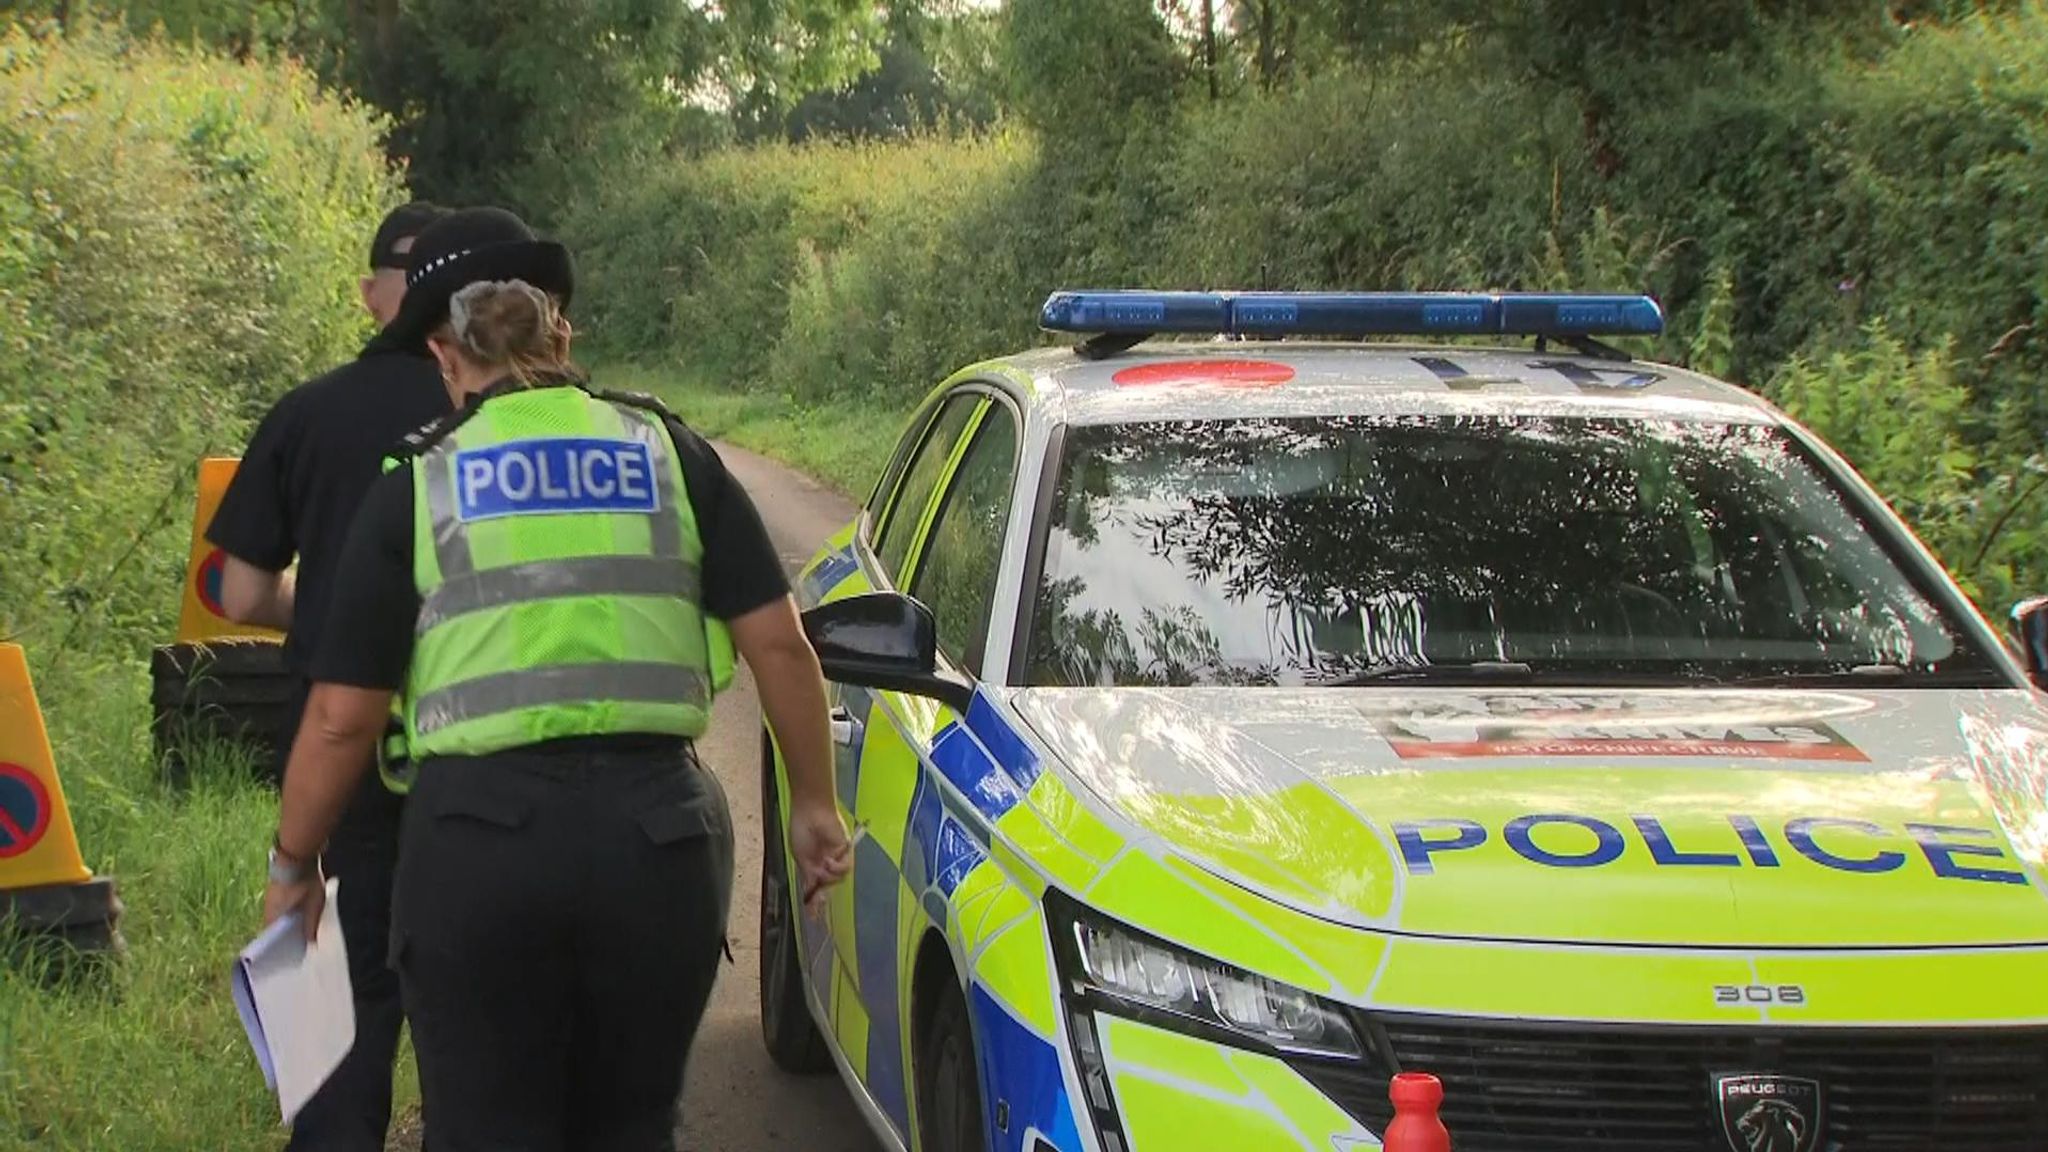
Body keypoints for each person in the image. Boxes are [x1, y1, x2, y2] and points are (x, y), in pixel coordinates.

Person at [260, 206, 853, 1152]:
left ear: (445, 360)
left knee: (486, 1129)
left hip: (477, 855)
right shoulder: (671, 452)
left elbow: (341, 719)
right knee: (629, 1128)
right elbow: (782, 650)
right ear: (563, 334)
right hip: (657, 846)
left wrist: (295, 867)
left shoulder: (420, 485)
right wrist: (814, 805)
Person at [208, 200, 450, 1152]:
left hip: (329, 769)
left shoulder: (306, 413)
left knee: (329, 1060)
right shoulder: (494, 418)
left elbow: (236, 591)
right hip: (475, 764)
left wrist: (328, 614)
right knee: (470, 1043)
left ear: (368, 298)